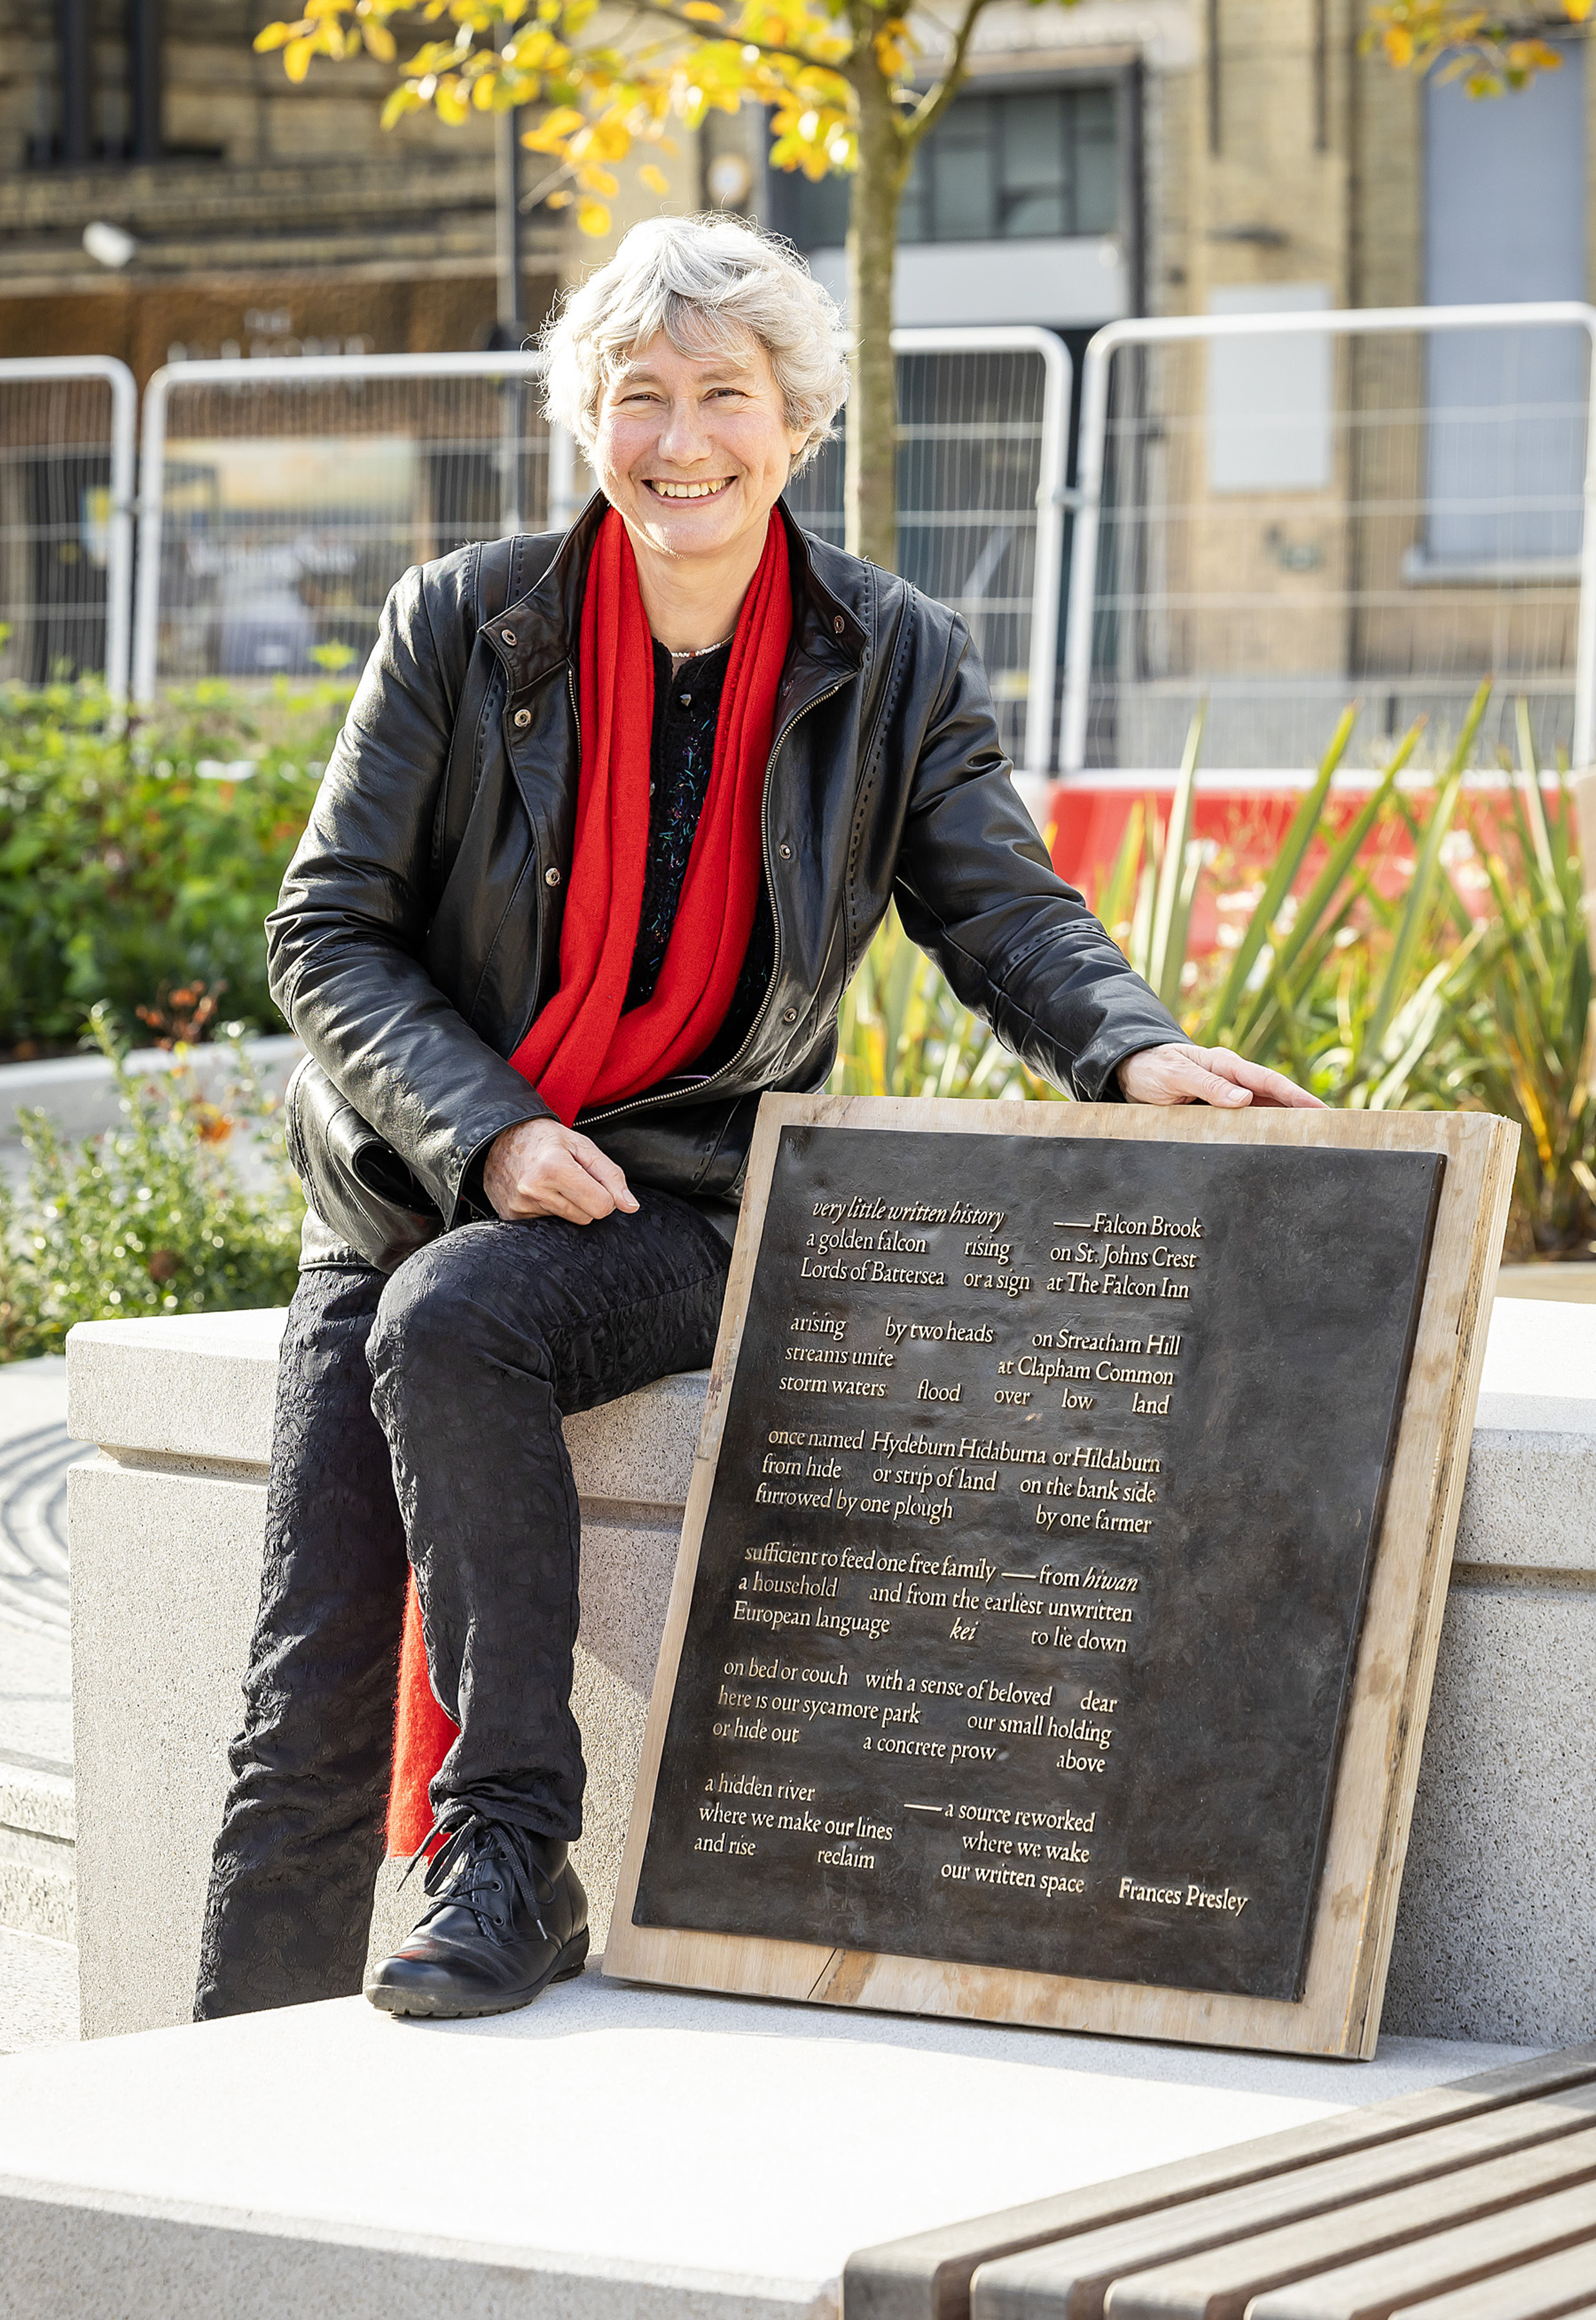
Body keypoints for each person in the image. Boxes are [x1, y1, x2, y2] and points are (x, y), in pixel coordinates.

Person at [195, 213, 1316, 2028]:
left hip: (686, 1195)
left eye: (724, 393)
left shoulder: (890, 655)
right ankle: (205, 2137)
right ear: (588, 424)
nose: (679, 438)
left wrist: (1128, 1050)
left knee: (464, 1319)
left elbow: (1004, 909)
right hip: (418, 1181)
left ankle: (505, 1853)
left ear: (800, 422)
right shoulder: (463, 623)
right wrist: (486, 1132)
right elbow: (326, 929)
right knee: (300, 1706)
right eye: (637, 396)